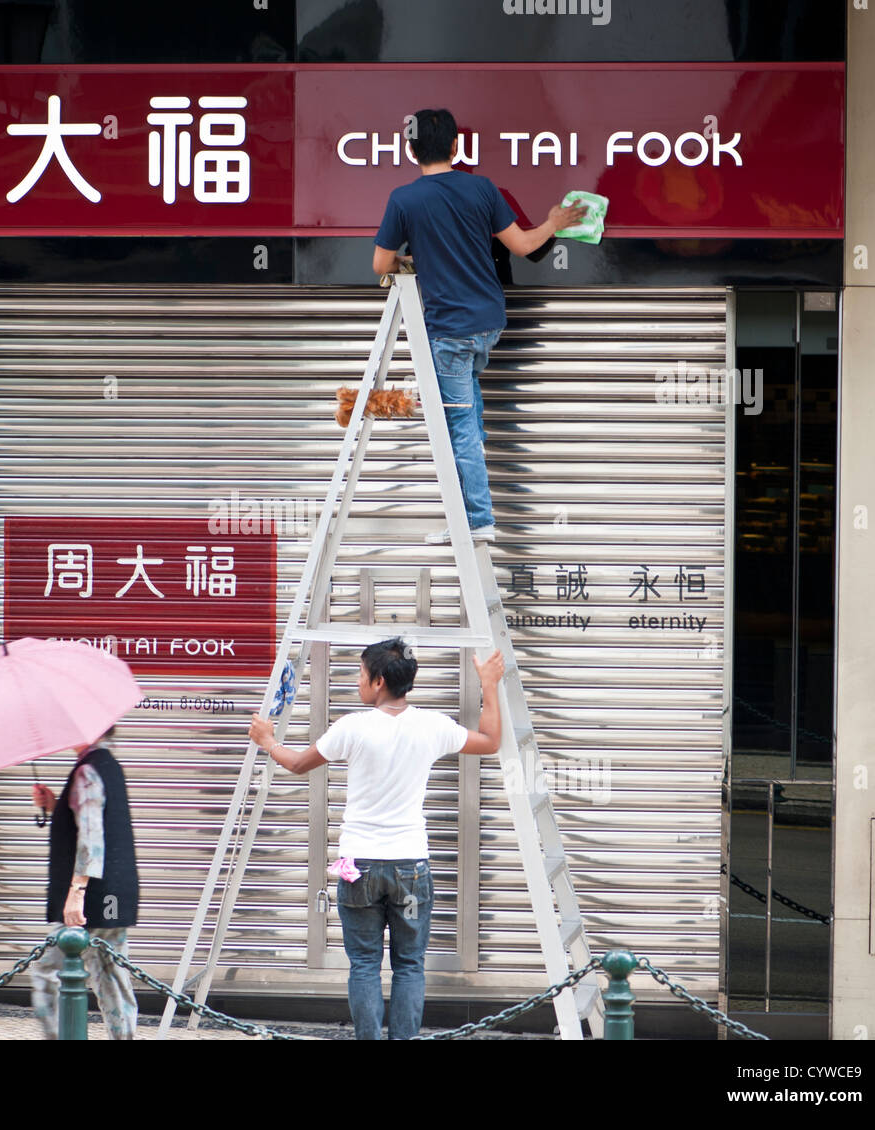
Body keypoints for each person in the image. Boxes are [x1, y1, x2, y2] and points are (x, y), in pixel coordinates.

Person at [249, 637, 505, 1040]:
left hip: (358, 866)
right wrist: (489, 684)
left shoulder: (353, 727)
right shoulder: (432, 725)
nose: (358, 681)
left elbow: (298, 764)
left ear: (380, 681)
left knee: (364, 964)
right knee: (409, 965)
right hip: (410, 867)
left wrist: (268, 742)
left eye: (362, 674)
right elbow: (491, 742)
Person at [373, 107, 588, 544]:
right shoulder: (483, 189)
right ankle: (473, 508)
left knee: (458, 428)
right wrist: (555, 222)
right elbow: (526, 245)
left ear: (411, 150)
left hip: (449, 331)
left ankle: (475, 520)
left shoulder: (404, 199)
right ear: (455, 146)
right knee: (468, 414)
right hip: (488, 323)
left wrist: (408, 260)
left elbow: (380, 263)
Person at [29, 725, 140, 1040]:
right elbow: (91, 822)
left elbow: (92, 839)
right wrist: (54, 805)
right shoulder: (106, 764)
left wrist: (76, 893)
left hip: (92, 896)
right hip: (113, 893)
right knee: (111, 977)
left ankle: (60, 1035)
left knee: (45, 972)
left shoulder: (86, 772)